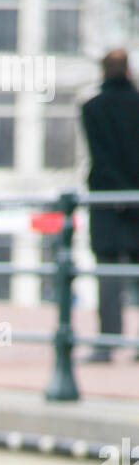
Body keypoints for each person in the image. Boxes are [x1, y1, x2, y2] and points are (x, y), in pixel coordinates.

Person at [80, 49, 139, 361]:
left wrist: (117, 193)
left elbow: (100, 158)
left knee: (108, 274)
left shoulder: (92, 108)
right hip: (136, 200)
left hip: (106, 201)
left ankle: (107, 343)